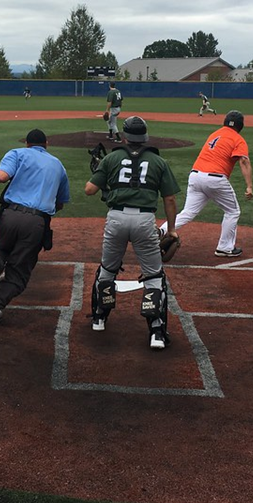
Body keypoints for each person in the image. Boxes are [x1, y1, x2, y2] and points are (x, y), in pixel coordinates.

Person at [0, 128, 70, 327]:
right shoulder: (58, 165)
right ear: (46, 145)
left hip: (8, 216)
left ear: (27, 143)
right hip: (36, 222)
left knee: (1, 247)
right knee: (18, 273)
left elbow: (2, 176)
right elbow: (60, 203)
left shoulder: (17, 153)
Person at [85, 116, 180, 350]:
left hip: (116, 218)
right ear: (146, 137)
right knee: (153, 275)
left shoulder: (112, 158)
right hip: (144, 220)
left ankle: (99, 317)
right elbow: (169, 199)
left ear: (125, 137)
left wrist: (104, 174)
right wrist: (173, 230)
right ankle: (156, 331)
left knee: (108, 269)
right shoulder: (158, 161)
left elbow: (89, 190)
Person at [160, 110, 253, 258]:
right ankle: (225, 247)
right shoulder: (238, 139)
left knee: (188, 212)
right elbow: (243, 161)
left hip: (195, 176)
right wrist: (249, 186)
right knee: (232, 211)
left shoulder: (215, 134)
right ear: (241, 126)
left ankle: (162, 231)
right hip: (215, 179)